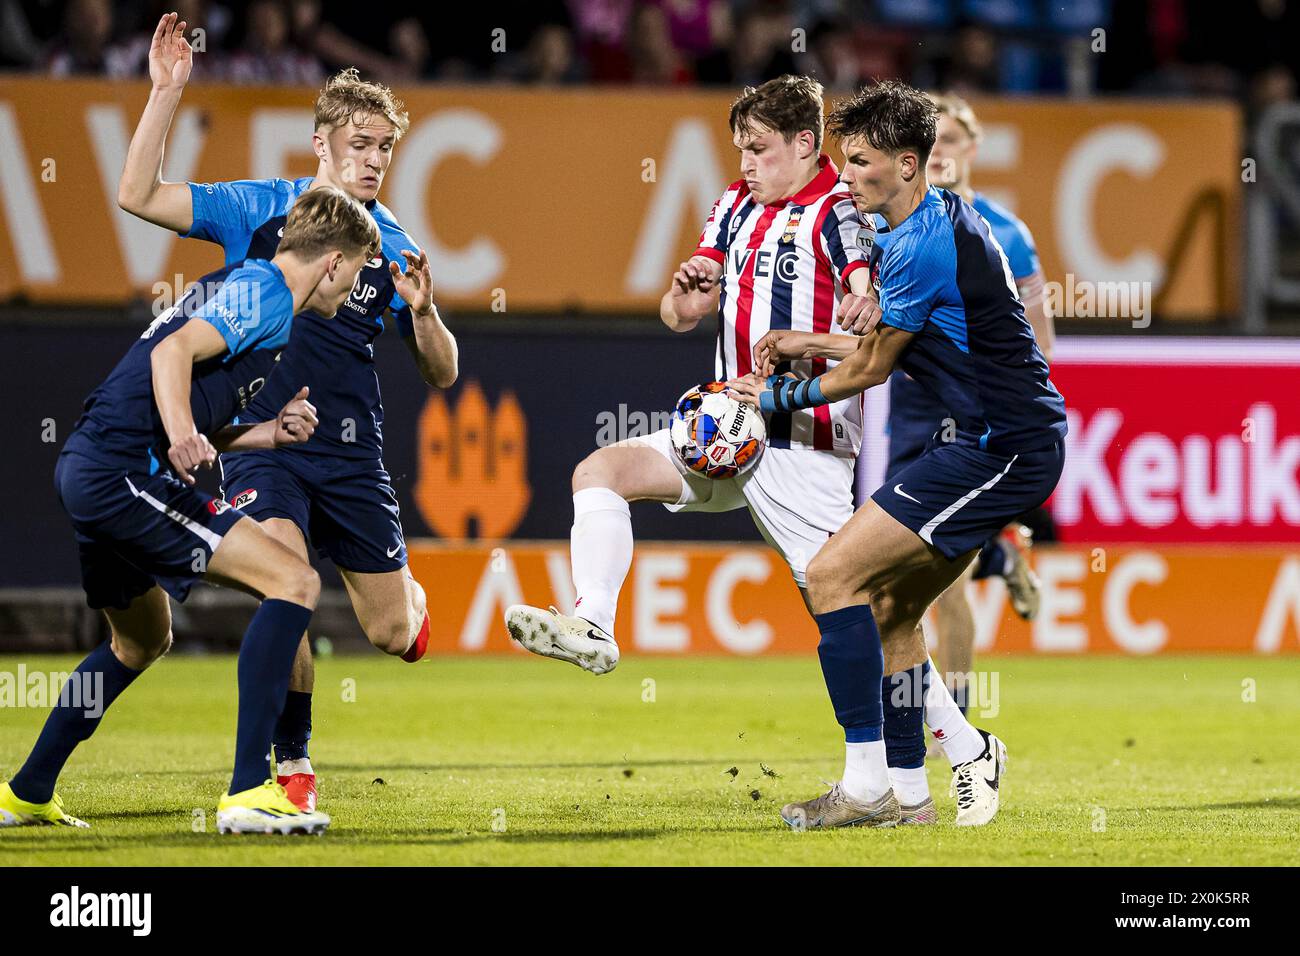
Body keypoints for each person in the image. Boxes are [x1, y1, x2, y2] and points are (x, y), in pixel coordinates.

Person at [504, 75, 989, 826]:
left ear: (804, 143)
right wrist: (686, 291)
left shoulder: (841, 214)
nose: (747, 163)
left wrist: (859, 300)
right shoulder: (732, 205)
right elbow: (678, 313)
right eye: (739, 149)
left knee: (852, 607)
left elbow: (867, 318)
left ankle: (944, 754)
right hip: (726, 430)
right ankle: (593, 622)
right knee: (600, 471)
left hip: (803, 441)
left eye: (759, 149)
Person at [117, 13, 458, 814]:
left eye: (385, 148)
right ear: (321, 141)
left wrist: (426, 315)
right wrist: (166, 92)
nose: (373, 160)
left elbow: (442, 374)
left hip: (352, 456)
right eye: (360, 143)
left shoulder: (397, 242)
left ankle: (410, 611)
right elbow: (136, 195)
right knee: (286, 583)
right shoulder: (259, 208)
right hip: (265, 443)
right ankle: (290, 762)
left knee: (389, 634)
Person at [730, 80, 1067, 829]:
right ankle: (919, 793)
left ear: (909, 164)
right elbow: (894, 344)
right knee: (891, 609)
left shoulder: (918, 241)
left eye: (859, 162)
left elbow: (872, 369)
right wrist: (807, 340)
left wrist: (772, 397)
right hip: (992, 443)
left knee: (830, 575)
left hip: (1005, 451)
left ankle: (867, 786)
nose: (843, 176)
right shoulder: (933, 219)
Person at [0, 187, 379, 835]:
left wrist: (266, 432)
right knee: (295, 580)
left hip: (91, 467)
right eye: (358, 270)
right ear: (334, 264)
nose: (352, 290)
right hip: (125, 470)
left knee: (142, 639)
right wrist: (179, 437)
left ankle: (25, 793)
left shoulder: (243, 287)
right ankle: (248, 791)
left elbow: (196, 402)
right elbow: (168, 356)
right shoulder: (265, 292)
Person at [886, 92, 1053, 742]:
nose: (943, 152)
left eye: (954, 139)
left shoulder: (1007, 231)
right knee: (913, 563)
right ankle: (1004, 555)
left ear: (973, 149)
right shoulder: (898, 224)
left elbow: (1040, 333)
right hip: (911, 405)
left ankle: (951, 721)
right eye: (934, 141)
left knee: (938, 564)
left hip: (974, 402)